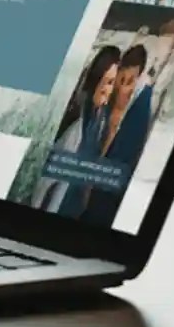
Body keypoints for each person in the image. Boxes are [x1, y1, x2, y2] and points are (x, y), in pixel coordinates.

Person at [35, 46, 121, 211]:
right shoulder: (77, 122)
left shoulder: (101, 118)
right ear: (95, 79)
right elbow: (47, 181)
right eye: (103, 80)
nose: (106, 88)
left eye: (111, 82)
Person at [81, 44, 153, 226]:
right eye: (121, 80)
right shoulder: (107, 102)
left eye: (129, 81)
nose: (123, 87)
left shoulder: (140, 102)